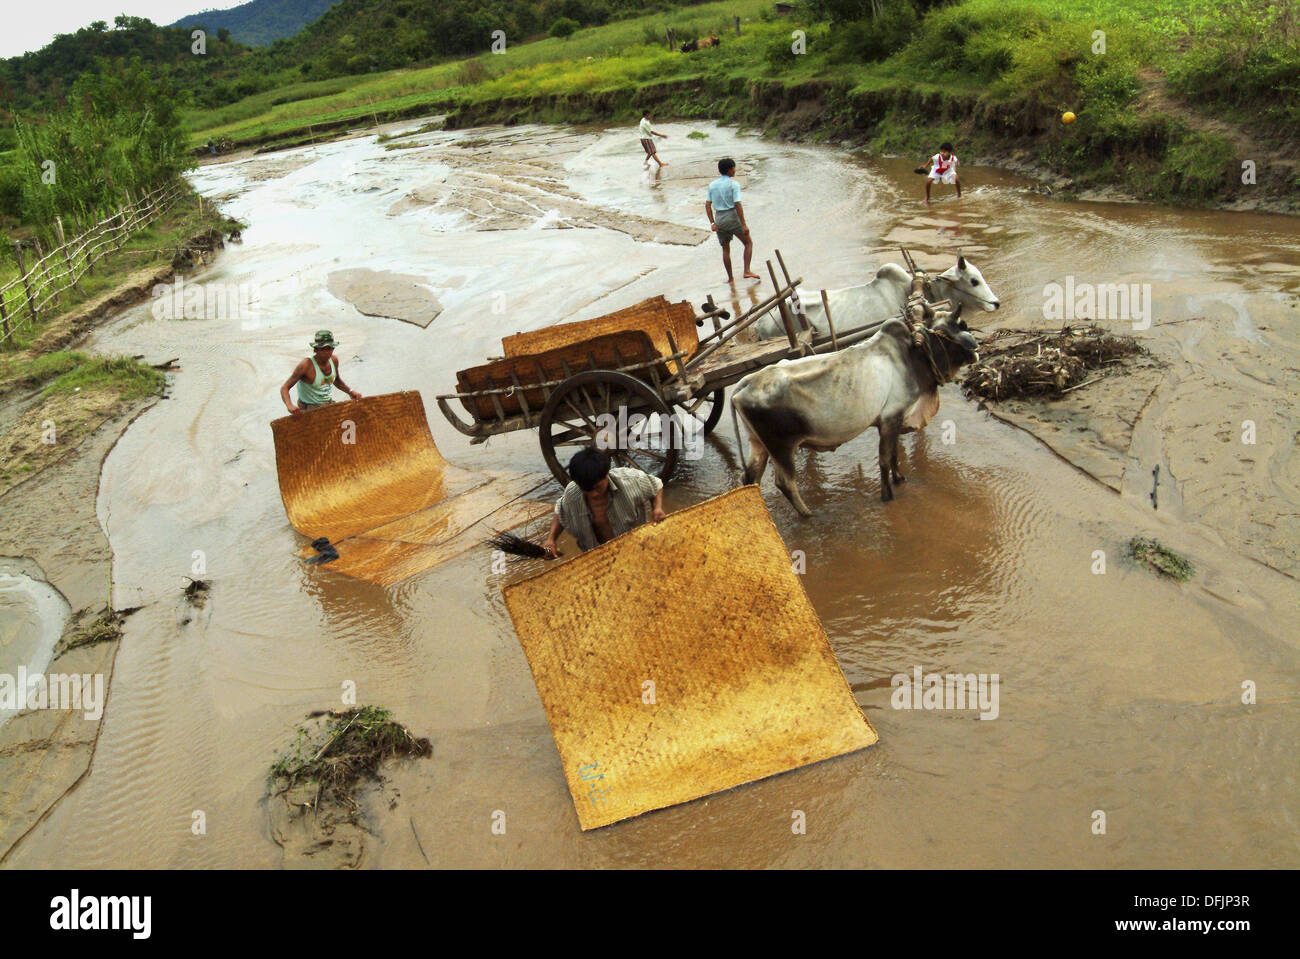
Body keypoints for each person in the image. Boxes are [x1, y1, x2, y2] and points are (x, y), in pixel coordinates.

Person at [543, 447, 666, 555]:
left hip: (634, 547)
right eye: (587, 489)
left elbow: (656, 485)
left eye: (597, 487)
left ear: (606, 475)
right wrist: (551, 539)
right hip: (596, 556)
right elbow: (560, 511)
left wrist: (657, 508)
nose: (594, 494)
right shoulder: (572, 493)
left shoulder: (630, 480)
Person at [280, 330, 362, 416]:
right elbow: (284, 388)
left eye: (329, 349)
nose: (326, 353)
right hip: (309, 408)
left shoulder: (334, 360)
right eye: (323, 349)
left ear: (333, 348)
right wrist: (289, 405)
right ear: (316, 349)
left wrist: (350, 391)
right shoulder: (306, 365)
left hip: (327, 404)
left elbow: (337, 381)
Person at [705, 157, 759, 283]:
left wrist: (712, 223)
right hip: (732, 217)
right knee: (748, 243)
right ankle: (746, 271)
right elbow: (737, 205)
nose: (735, 170)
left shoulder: (712, 185)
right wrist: (744, 225)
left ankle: (730, 278)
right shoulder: (734, 184)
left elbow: (707, 205)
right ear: (729, 170)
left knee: (725, 249)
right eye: (734, 168)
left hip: (719, 218)